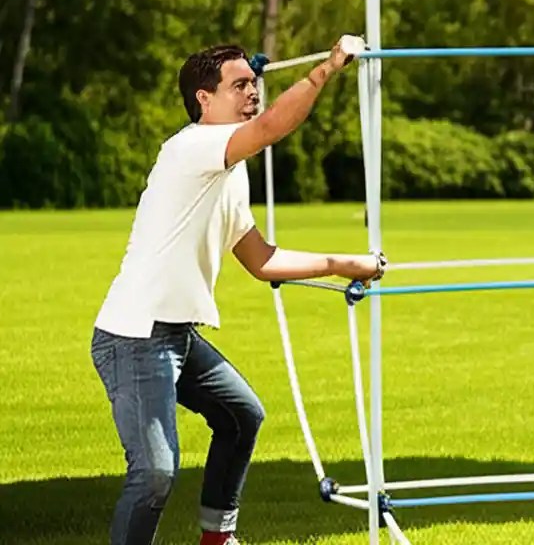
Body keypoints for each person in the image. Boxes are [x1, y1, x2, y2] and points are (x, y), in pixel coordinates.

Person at [90, 35, 385, 545]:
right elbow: (271, 128)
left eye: (255, 83)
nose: (253, 92)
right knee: (156, 473)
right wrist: (328, 67)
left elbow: (261, 260)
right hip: (134, 336)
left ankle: (217, 539)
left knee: (241, 415)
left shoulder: (228, 169)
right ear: (204, 98)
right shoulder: (193, 147)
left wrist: (344, 263)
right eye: (240, 85)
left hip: (176, 335)